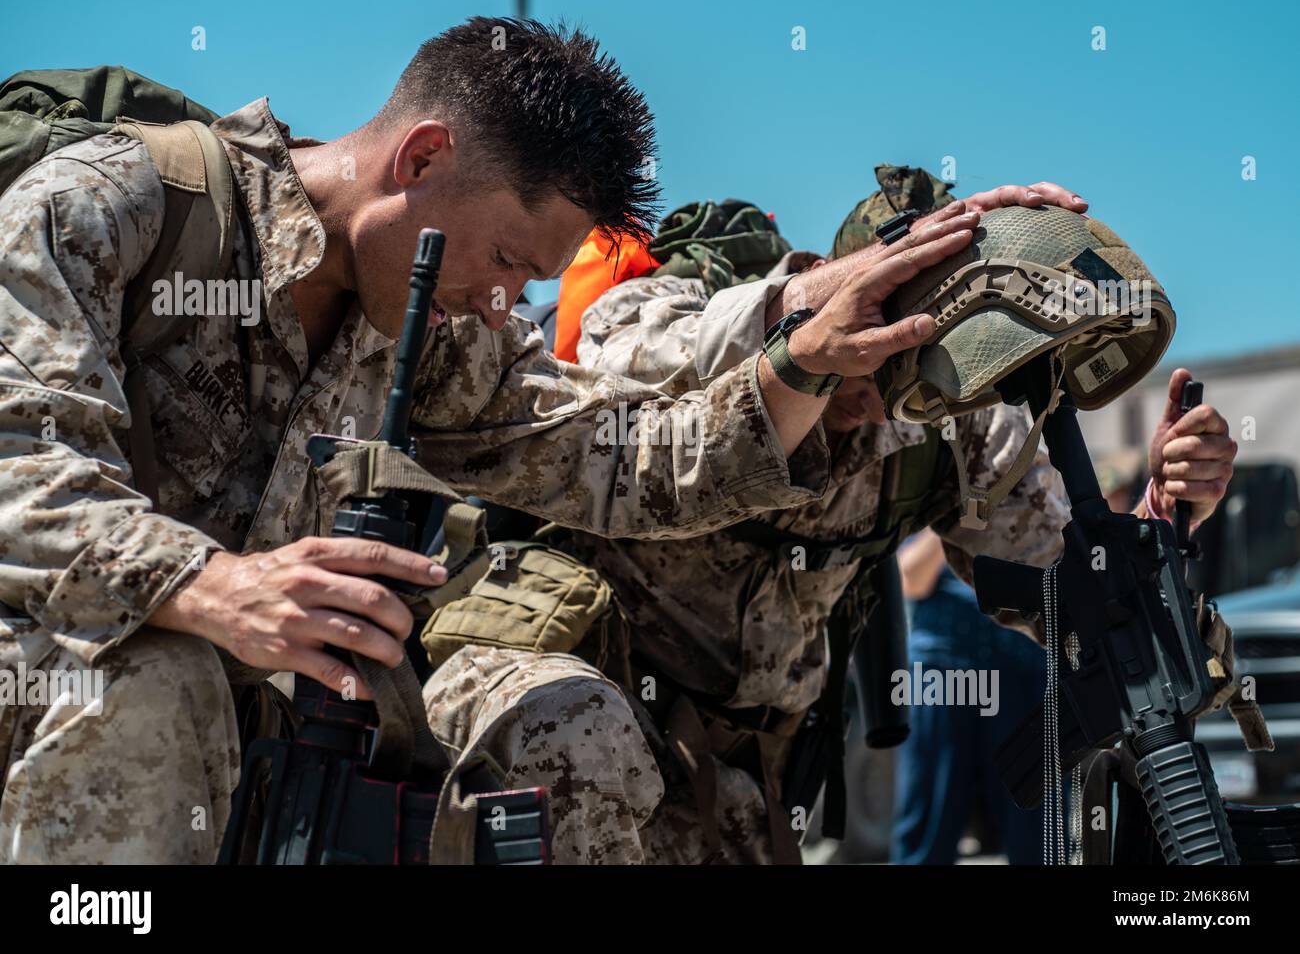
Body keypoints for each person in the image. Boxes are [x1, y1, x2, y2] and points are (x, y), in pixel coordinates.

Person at [0, 20, 1012, 864]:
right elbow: (22, 465)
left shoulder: (431, 325)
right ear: (423, 156)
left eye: (526, 281)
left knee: (568, 720)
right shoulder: (114, 202)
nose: (502, 301)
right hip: (64, 684)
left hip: (287, 715)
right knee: (158, 673)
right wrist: (213, 588)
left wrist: (799, 363)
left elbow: (623, 458)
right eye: (502, 259)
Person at [421, 165, 1239, 863]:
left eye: (904, 369)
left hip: (745, 783)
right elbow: (614, 352)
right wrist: (806, 316)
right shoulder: (690, 308)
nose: (869, 394)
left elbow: (1060, 589)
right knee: (580, 736)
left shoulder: (949, 421)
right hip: (580, 728)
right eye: (864, 345)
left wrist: (1162, 515)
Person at [891, 527, 1046, 864]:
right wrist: (963, 508)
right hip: (946, 668)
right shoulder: (931, 486)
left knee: (1038, 835)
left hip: (1022, 663)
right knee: (927, 825)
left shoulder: (1040, 479)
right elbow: (910, 577)